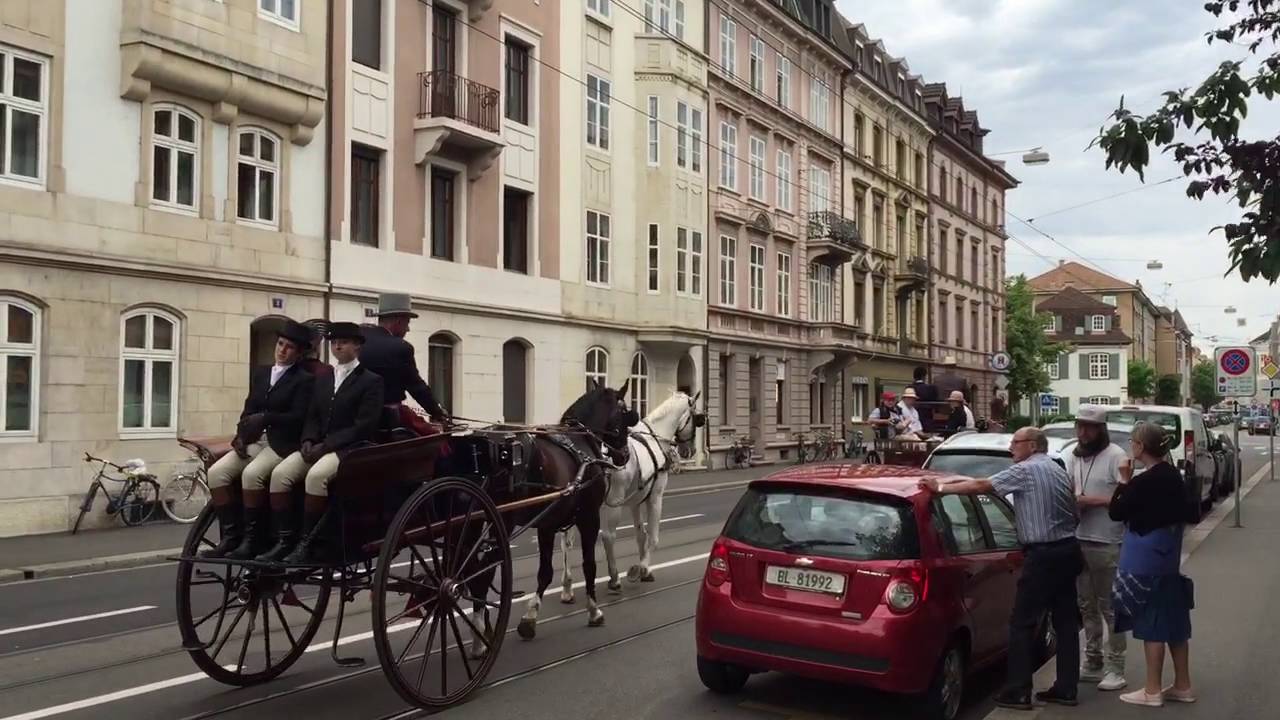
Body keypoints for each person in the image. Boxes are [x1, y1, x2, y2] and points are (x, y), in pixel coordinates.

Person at [921, 427, 1083, 710]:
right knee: (1066, 622)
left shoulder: (1026, 470)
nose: (1011, 448)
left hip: (1043, 555)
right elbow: (1074, 508)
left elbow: (983, 486)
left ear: (1032, 445)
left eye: (1015, 443)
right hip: (1067, 550)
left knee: (1021, 622)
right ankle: (1067, 688)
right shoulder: (1057, 469)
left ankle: (1018, 690)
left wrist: (941, 488)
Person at [262, 322, 385, 564]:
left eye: (344, 342)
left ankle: (308, 543)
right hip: (318, 445)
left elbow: (363, 426)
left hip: (350, 449)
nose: (338, 346)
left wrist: (327, 445)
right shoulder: (325, 377)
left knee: (316, 476)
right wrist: (308, 439)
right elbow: (313, 415)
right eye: (334, 342)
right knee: (280, 474)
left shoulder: (371, 381)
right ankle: (284, 540)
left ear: (357, 346)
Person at [201, 320, 315, 559]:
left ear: (299, 353)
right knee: (216, 472)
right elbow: (248, 409)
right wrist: (240, 436)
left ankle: (255, 540)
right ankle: (231, 537)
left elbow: (298, 417)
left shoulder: (304, 379)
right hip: (254, 441)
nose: (282, 350)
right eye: (280, 344)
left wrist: (266, 418)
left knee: (252, 475)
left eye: (289, 347)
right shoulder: (262, 373)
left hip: (282, 443)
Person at [1111, 422, 1197, 707]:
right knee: (1175, 623)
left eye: (1132, 442)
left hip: (1144, 560)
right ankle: (1182, 685)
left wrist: (1124, 480)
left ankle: (1152, 690)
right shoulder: (1174, 476)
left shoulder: (1143, 481)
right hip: (1169, 557)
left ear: (1139, 446)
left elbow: (1117, 512)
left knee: (1152, 626)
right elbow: (1191, 512)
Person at [1067, 406, 1129, 692]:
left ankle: (1116, 666)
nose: (1083, 432)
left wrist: (1091, 501)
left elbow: (1125, 500)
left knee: (1110, 607)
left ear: (1101, 429)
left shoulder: (1116, 456)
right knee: (1086, 606)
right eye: (1080, 426)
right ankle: (1093, 661)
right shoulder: (1072, 455)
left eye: (1090, 427)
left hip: (1108, 541)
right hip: (1079, 538)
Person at [360, 293, 448, 435]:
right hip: (387, 420)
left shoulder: (358, 339)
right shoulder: (400, 347)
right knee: (438, 443)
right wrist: (437, 413)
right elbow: (417, 387)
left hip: (356, 418)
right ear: (398, 321)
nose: (408, 329)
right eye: (407, 323)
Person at [909, 366, 940, 431]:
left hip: (911, 420)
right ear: (924, 376)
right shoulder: (931, 388)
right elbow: (936, 403)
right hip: (927, 419)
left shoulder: (909, 388)